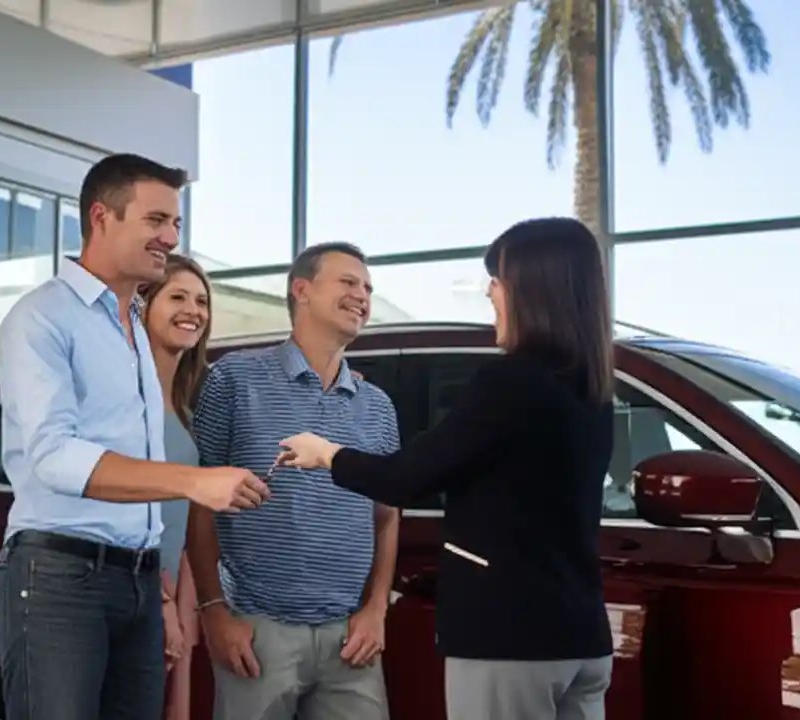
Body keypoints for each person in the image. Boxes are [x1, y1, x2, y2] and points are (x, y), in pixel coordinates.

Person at [278, 217, 616, 720]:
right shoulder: (594, 389)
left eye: (497, 281)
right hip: (581, 638)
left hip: (508, 637)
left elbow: (406, 477)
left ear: (533, 288)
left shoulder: (509, 383)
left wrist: (327, 453)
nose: (490, 294)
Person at [0, 153, 271, 720]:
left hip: (140, 583)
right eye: (155, 220)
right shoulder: (42, 317)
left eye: (176, 224)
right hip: (59, 579)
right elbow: (53, 456)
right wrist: (194, 481)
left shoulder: (132, 330)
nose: (169, 237)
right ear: (101, 217)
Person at [187, 242, 401, 720]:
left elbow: (387, 514)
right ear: (300, 290)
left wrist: (375, 611)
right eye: (348, 282)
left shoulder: (378, 407)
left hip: (351, 639)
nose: (362, 295)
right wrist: (214, 611)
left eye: (367, 288)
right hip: (258, 630)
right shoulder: (235, 380)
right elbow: (199, 502)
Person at [138, 253, 215, 720]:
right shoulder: (124, 397)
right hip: (133, 588)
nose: (194, 310)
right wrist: (160, 602)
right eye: (178, 297)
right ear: (144, 305)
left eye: (202, 301)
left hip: (170, 591)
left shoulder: (185, 404)